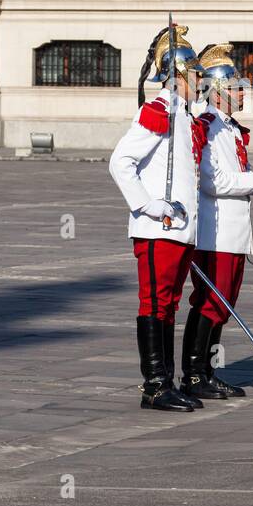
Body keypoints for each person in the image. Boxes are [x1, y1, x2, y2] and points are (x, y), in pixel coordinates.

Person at [109, 24, 208, 412]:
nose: (200, 80)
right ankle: (154, 386)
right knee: (154, 303)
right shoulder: (160, 110)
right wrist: (149, 205)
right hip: (158, 229)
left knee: (168, 305)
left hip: (180, 230)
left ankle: (165, 381)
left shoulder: (185, 114)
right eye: (195, 73)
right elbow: (121, 162)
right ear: (179, 75)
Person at [181, 43, 253, 401]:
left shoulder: (230, 129)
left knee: (222, 302)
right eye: (238, 86)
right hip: (215, 232)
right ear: (219, 91)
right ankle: (194, 375)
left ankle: (205, 372)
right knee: (211, 301)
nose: (244, 92)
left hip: (233, 232)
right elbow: (214, 181)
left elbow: (234, 177)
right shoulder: (208, 126)